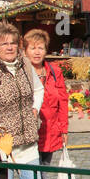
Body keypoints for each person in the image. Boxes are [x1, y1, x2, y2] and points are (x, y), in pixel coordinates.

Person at [0, 22, 42, 179]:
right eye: (4, 43)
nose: (9, 47)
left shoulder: (25, 65)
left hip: (27, 142)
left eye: (13, 43)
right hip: (1, 146)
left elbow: (38, 89)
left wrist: (35, 108)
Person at [25, 29, 68, 165]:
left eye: (40, 48)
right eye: (33, 48)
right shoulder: (22, 72)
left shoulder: (54, 71)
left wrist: (63, 130)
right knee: (33, 172)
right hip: (30, 132)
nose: (37, 52)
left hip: (50, 130)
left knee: (45, 168)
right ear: (25, 50)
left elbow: (62, 102)